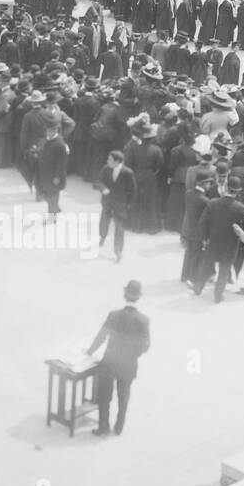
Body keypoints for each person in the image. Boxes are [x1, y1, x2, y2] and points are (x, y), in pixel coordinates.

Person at [87, 279, 151, 438]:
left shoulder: (114, 315)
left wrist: (90, 351)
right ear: (139, 297)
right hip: (128, 364)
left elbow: (101, 336)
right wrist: (134, 353)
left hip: (110, 361)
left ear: (125, 295)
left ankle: (103, 428)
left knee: (104, 396)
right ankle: (119, 427)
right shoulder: (143, 320)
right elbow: (145, 345)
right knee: (124, 396)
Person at [197, 175, 244, 302]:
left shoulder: (213, 202)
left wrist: (205, 237)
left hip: (213, 241)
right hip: (230, 244)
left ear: (225, 187)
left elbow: (202, 222)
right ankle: (218, 296)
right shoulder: (240, 207)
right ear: (238, 191)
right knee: (224, 270)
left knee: (207, 266)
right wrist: (240, 229)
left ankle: (198, 289)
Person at [97, 149, 136, 263]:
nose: (107, 161)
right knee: (104, 221)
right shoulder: (105, 169)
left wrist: (129, 204)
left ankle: (118, 252)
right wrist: (103, 188)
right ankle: (102, 237)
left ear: (117, 161)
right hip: (107, 202)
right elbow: (98, 181)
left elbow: (132, 190)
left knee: (119, 229)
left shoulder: (128, 173)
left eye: (110, 159)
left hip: (120, 205)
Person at [35, 121, 69, 219]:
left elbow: (61, 163)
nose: (48, 133)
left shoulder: (60, 144)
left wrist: (57, 176)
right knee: (47, 194)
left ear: (56, 130)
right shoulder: (47, 140)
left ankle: (51, 218)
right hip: (44, 174)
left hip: (53, 175)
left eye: (50, 131)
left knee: (52, 195)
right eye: (47, 130)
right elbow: (44, 151)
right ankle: (55, 208)